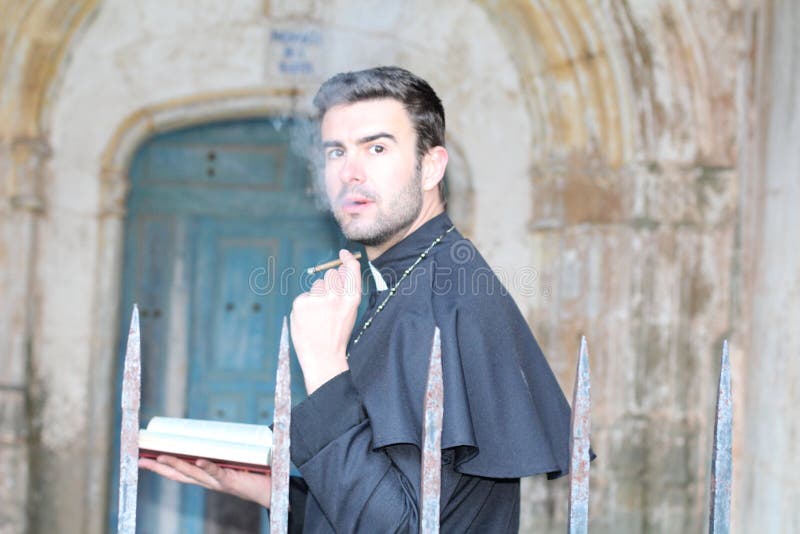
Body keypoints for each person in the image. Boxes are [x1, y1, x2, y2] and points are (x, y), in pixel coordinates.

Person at [140, 66, 576, 532]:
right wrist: (272, 489)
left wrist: (325, 363)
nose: (350, 172)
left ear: (431, 167)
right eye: (335, 151)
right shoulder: (416, 277)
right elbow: (385, 510)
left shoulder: (443, 297)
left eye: (377, 147)